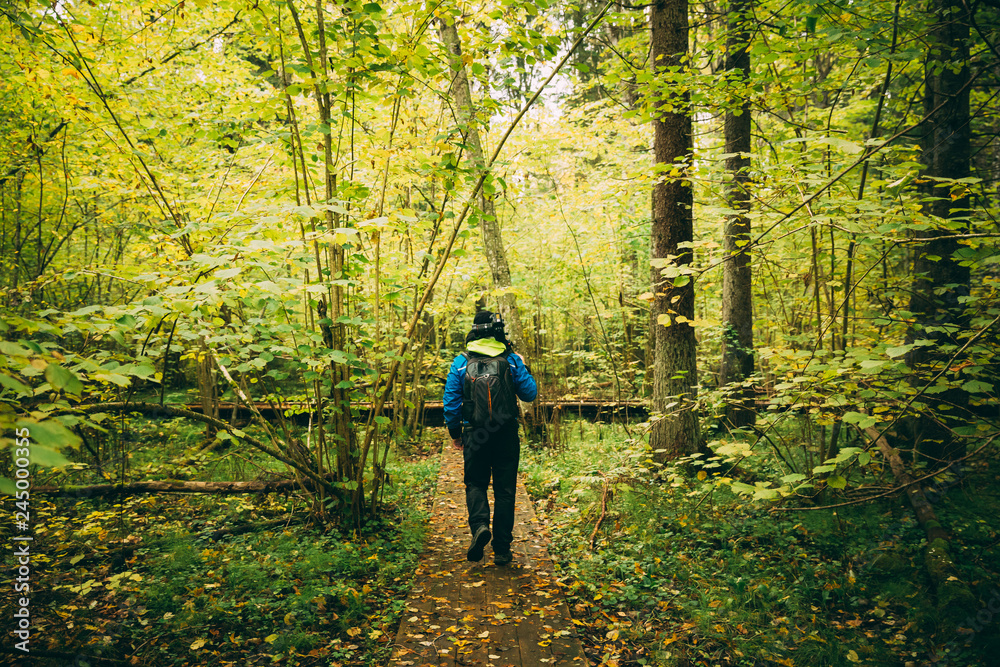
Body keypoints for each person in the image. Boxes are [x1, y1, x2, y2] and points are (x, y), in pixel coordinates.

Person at [443, 310, 537, 565]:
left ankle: (480, 527)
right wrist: (523, 364)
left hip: (476, 434)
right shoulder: (511, 359)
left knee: (475, 484)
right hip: (506, 433)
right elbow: (529, 394)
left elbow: (451, 403)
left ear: (474, 330)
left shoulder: (460, 361)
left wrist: (455, 434)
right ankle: (503, 549)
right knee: (505, 491)